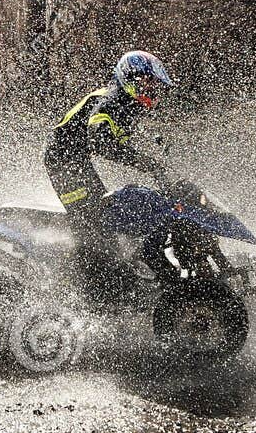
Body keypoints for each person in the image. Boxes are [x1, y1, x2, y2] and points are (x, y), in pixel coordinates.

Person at [44, 51, 173, 279]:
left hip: (77, 160)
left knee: (109, 215)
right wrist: (149, 165)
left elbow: (127, 142)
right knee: (91, 221)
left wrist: (162, 162)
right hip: (62, 159)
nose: (152, 89)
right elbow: (101, 140)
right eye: (148, 82)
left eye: (154, 85)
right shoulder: (112, 99)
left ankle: (118, 271)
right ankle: (83, 281)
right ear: (130, 77)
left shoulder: (127, 106)